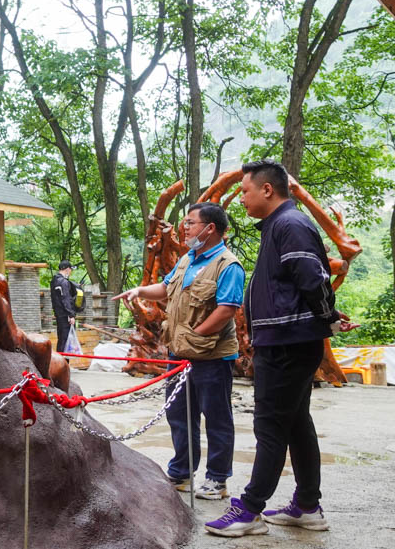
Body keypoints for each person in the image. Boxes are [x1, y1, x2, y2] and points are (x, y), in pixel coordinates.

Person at [204, 159, 356, 537]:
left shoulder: (289, 224)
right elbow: (301, 282)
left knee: (269, 425)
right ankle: (307, 505)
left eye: (245, 191)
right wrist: (328, 316)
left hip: (288, 344)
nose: (241, 199)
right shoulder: (280, 226)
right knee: (296, 424)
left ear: (267, 190)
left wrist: (328, 318)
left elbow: (313, 278)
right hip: (286, 341)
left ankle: (250, 509)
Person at [115, 202, 243, 501]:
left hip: (212, 357)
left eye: (190, 222)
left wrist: (193, 336)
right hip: (180, 355)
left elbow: (226, 310)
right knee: (179, 414)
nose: (184, 228)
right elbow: (166, 287)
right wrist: (139, 291)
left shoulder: (228, 265)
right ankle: (182, 472)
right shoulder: (189, 259)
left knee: (216, 418)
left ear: (210, 228)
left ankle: (217, 479)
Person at [50, 261, 80, 354]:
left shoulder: (54, 281)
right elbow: (66, 299)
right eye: (70, 269)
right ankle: (64, 365)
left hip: (59, 315)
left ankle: (60, 364)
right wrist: (71, 315)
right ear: (67, 269)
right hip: (65, 316)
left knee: (61, 340)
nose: (71, 271)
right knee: (66, 341)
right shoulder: (63, 282)